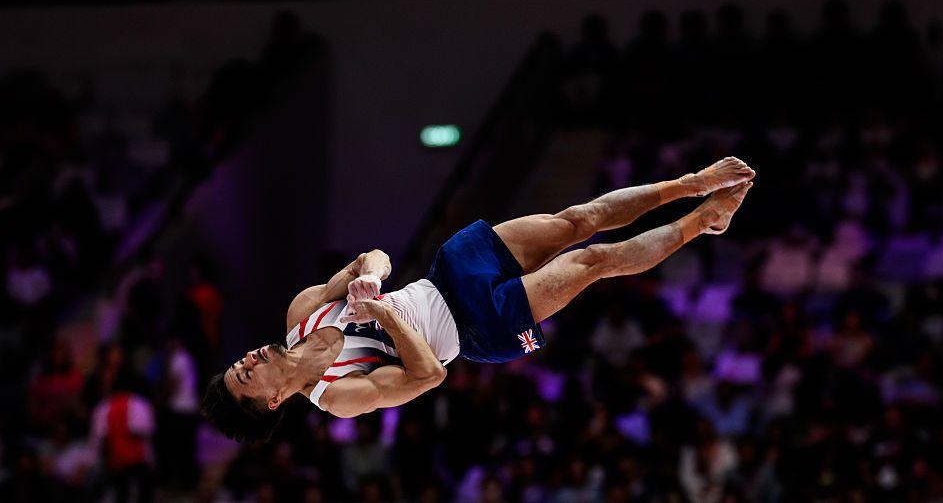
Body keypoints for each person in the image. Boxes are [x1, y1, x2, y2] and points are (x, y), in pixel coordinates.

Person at [202, 158, 756, 443]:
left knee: (577, 221)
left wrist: (370, 277)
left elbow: (373, 257)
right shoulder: (337, 396)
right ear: (272, 402)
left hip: (449, 271)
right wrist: (389, 318)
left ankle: (689, 184)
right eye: (245, 377)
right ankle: (701, 221)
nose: (246, 359)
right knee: (593, 262)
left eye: (237, 363)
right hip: (477, 329)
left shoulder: (302, 313)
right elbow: (428, 377)